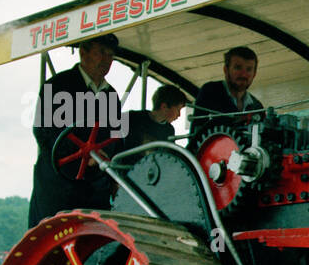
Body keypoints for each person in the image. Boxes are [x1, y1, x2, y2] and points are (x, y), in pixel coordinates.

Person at [29, 33, 123, 228]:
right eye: (101, 53)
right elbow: (44, 132)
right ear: (83, 52)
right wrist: (81, 154)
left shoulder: (111, 96)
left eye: (110, 55)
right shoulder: (57, 86)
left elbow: (117, 139)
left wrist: (112, 172)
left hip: (95, 187)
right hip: (58, 186)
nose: (106, 60)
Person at [190, 46, 264, 134]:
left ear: (254, 74)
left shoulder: (257, 107)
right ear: (226, 70)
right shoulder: (210, 92)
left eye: (249, 69)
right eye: (238, 67)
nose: (243, 74)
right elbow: (195, 136)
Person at [118, 84, 189, 149]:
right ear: (164, 107)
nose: (179, 115)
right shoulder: (131, 118)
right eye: (178, 110)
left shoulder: (169, 130)